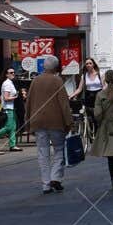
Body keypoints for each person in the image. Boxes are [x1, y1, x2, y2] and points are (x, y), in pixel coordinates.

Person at [27, 66, 75, 194]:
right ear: (55, 68)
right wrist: (69, 121)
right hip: (56, 122)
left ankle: (46, 185)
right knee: (59, 150)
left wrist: (28, 122)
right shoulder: (57, 81)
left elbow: (29, 102)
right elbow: (64, 104)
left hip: (38, 122)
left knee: (43, 153)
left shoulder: (35, 81)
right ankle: (55, 177)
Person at [0, 68, 20, 151]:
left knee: (13, 127)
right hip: (7, 108)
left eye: (14, 72)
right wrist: (16, 96)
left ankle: (12, 145)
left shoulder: (10, 82)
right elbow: (6, 98)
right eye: (11, 72)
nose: (13, 73)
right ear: (6, 74)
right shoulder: (7, 83)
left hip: (11, 107)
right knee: (8, 127)